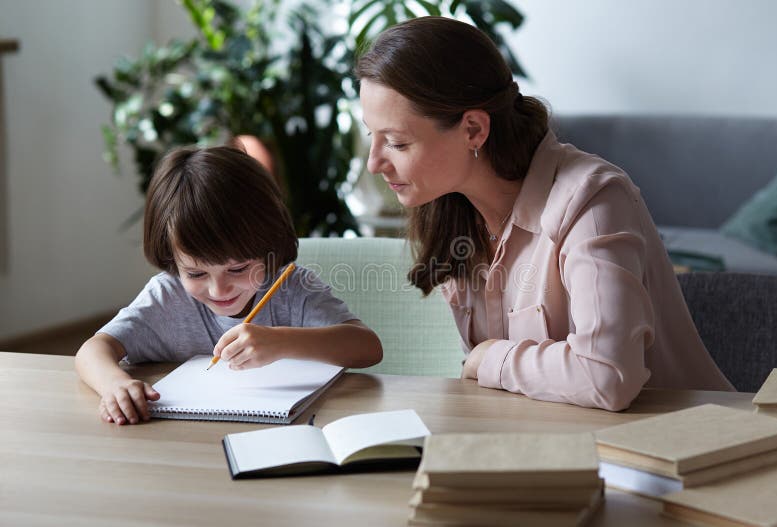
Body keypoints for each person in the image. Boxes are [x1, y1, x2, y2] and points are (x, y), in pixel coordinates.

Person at [355, 16, 733, 412]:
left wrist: (489, 358)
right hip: (555, 436)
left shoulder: (593, 199)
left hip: (683, 440)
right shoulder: (453, 209)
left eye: (397, 142)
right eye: (371, 135)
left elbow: (607, 376)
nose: (374, 163)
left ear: (473, 130)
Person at [75, 146, 382, 425]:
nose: (219, 290)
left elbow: (368, 347)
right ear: (172, 260)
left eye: (237, 269)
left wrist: (282, 341)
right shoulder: (167, 297)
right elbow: (93, 350)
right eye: (196, 273)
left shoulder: (291, 289)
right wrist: (114, 383)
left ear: (269, 247)